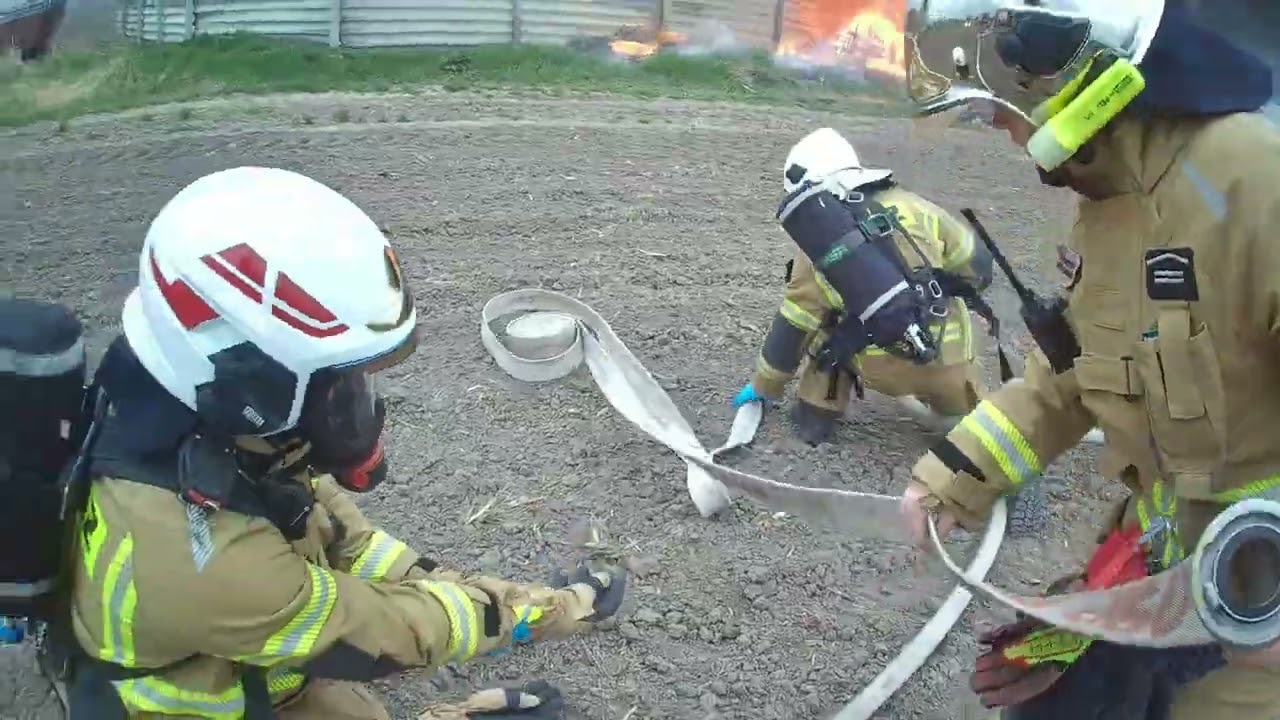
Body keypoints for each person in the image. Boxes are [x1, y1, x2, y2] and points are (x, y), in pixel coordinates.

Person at [60, 166, 627, 719]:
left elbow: (346, 541)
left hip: (233, 646)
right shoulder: (199, 554)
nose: (357, 405)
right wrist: (543, 614)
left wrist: (523, 603)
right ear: (251, 380)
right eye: (339, 386)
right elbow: (387, 632)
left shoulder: (212, 427)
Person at [897, 1, 1279, 717]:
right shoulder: (1111, 207)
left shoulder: (1252, 178)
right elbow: (1071, 377)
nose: (998, 126)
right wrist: (949, 478)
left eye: (998, 103)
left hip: (1257, 602)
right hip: (1158, 570)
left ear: (1061, 63)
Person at [732, 127, 997, 446]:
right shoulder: (919, 207)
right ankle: (968, 418)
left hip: (879, 365)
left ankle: (816, 412)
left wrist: (765, 385)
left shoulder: (820, 245)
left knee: (826, 327)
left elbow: (795, 323)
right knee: (967, 405)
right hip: (950, 360)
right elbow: (978, 270)